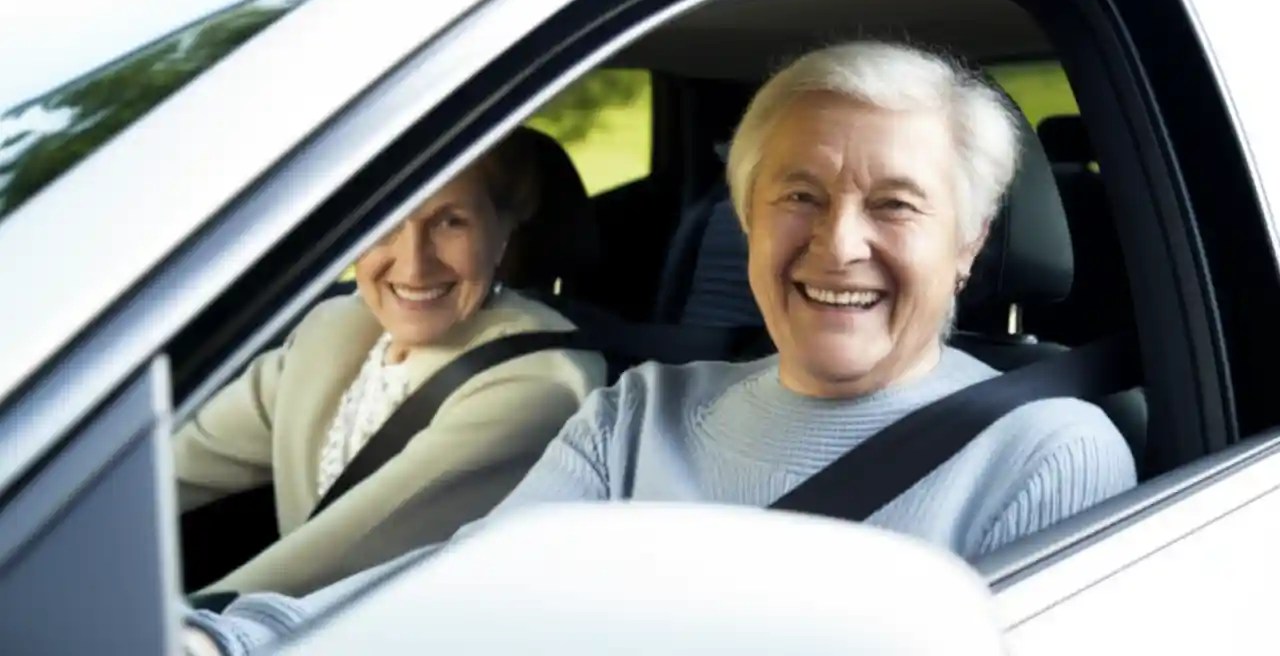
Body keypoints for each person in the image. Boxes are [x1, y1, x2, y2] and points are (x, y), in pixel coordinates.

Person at [183, 40, 1136, 654]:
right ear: (750, 221)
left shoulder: (1047, 451)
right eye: (798, 196)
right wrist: (221, 640)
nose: (838, 243)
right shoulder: (639, 412)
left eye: (895, 205)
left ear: (966, 245)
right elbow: (450, 593)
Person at [173, 128, 606, 596]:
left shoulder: (541, 384)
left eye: (450, 222)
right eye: (384, 220)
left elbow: (332, 562)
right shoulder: (332, 331)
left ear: (501, 234)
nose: (413, 264)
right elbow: (175, 468)